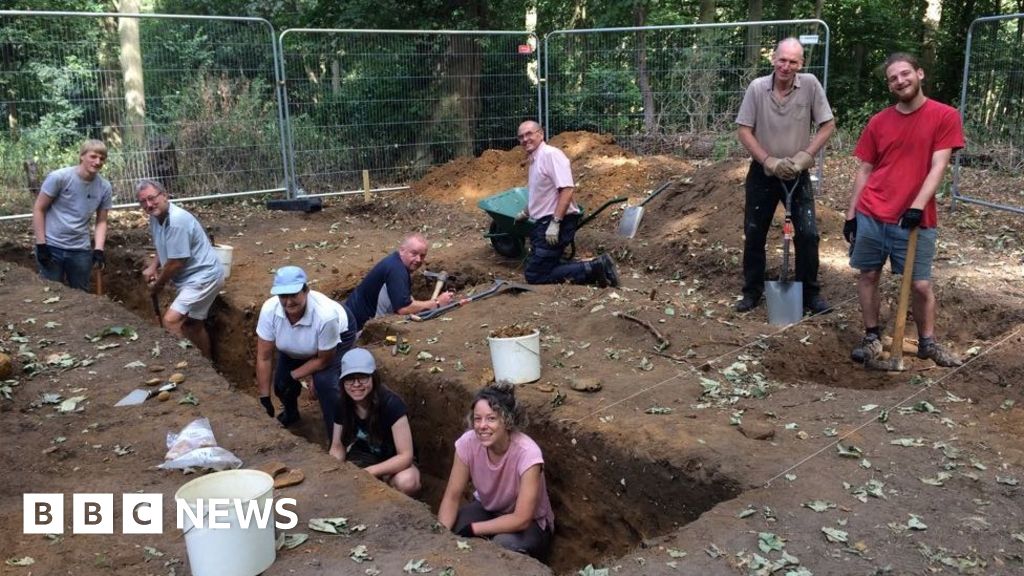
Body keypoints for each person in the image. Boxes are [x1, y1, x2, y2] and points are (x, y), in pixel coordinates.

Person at [845, 53, 964, 367]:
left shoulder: (945, 115)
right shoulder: (879, 121)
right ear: (889, 85)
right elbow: (866, 169)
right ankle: (872, 337)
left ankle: (927, 343)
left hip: (915, 218)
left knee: (920, 284)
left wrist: (915, 206)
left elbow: (939, 166)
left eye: (905, 74)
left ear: (920, 74)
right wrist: (851, 214)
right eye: (893, 78)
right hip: (872, 211)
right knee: (868, 274)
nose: (900, 81)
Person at [735, 38, 836, 314]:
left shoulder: (811, 85)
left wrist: (805, 157)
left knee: (808, 234)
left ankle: (809, 293)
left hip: (797, 174)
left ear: (800, 64)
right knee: (754, 232)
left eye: (793, 61)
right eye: (782, 60)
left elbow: (828, 125)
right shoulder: (757, 88)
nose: (786, 66)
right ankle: (752, 291)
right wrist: (768, 160)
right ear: (773, 59)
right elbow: (744, 130)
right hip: (763, 173)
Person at [438, 382, 554, 560]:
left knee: (503, 545)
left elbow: (521, 519)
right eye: (477, 419)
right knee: (455, 527)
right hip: (489, 509)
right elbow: (452, 496)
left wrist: (474, 529)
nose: (482, 426)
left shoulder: (528, 454)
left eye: (491, 418)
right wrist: (440, 537)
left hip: (530, 524)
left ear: (507, 421)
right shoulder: (468, 443)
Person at [256, 266, 357, 439]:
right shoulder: (269, 310)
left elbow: (324, 360)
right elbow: (264, 357)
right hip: (296, 345)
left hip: (336, 338)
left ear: (306, 290)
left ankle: (339, 437)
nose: (288, 302)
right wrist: (264, 398)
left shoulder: (326, 316)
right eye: (283, 296)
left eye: (293, 295)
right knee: (281, 384)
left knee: (325, 382)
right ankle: (291, 413)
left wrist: (295, 374)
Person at [515, 120, 619, 287]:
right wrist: (526, 212)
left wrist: (555, 223)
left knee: (535, 275)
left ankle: (595, 267)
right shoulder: (535, 160)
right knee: (541, 266)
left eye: (529, 134)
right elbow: (541, 195)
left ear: (540, 134)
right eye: (521, 137)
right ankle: (590, 266)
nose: (525, 139)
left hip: (555, 221)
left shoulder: (550, 155)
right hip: (543, 222)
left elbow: (567, 190)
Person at [138, 179, 224, 357]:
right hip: (192, 278)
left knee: (171, 321)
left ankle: (186, 366)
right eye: (143, 201)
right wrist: (154, 267)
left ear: (164, 195)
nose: (149, 204)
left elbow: (177, 262)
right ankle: (207, 367)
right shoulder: (156, 218)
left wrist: (158, 285)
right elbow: (164, 248)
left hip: (203, 277)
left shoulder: (177, 221)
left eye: (152, 198)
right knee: (193, 324)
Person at [328, 348, 420, 496]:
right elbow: (337, 446)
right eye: (350, 379)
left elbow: (405, 456)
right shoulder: (342, 404)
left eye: (363, 378)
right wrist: (335, 470)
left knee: (408, 482)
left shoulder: (392, 405)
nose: (356, 384)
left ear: (373, 378)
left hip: (394, 461)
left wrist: (370, 472)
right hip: (363, 457)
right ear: (343, 382)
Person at [32, 139, 113, 292]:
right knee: (51, 292)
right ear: (82, 156)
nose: (97, 162)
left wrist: (99, 250)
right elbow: (39, 209)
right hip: (52, 246)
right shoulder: (59, 178)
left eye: (102, 158)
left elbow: (102, 221)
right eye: (93, 156)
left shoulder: (104, 187)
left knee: (81, 295)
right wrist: (41, 245)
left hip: (80, 249)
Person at [345, 233, 454, 330]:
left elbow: (405, 299)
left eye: (422, 255)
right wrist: (437, 303)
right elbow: (403, 308)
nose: (418, 260)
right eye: (414, 253)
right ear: (402, 250)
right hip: (356, 333)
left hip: (349, 321)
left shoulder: (395, 262)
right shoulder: (396, 270)